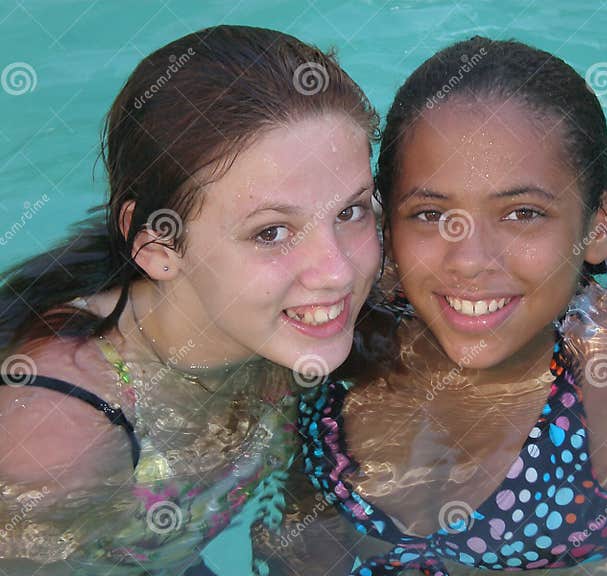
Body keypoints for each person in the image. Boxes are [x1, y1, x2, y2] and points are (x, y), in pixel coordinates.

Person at [271, 37, 607, 575]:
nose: (470, 260)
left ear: (599, 225)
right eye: (431, 214)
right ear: (385, 222)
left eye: (523, 213)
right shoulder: (338, 327)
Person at [0, 24, 380, 576]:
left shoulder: (306, 304)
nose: (338, 271)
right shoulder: (61, 439)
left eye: (351, 210)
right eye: (270, 232)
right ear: (157, 246)